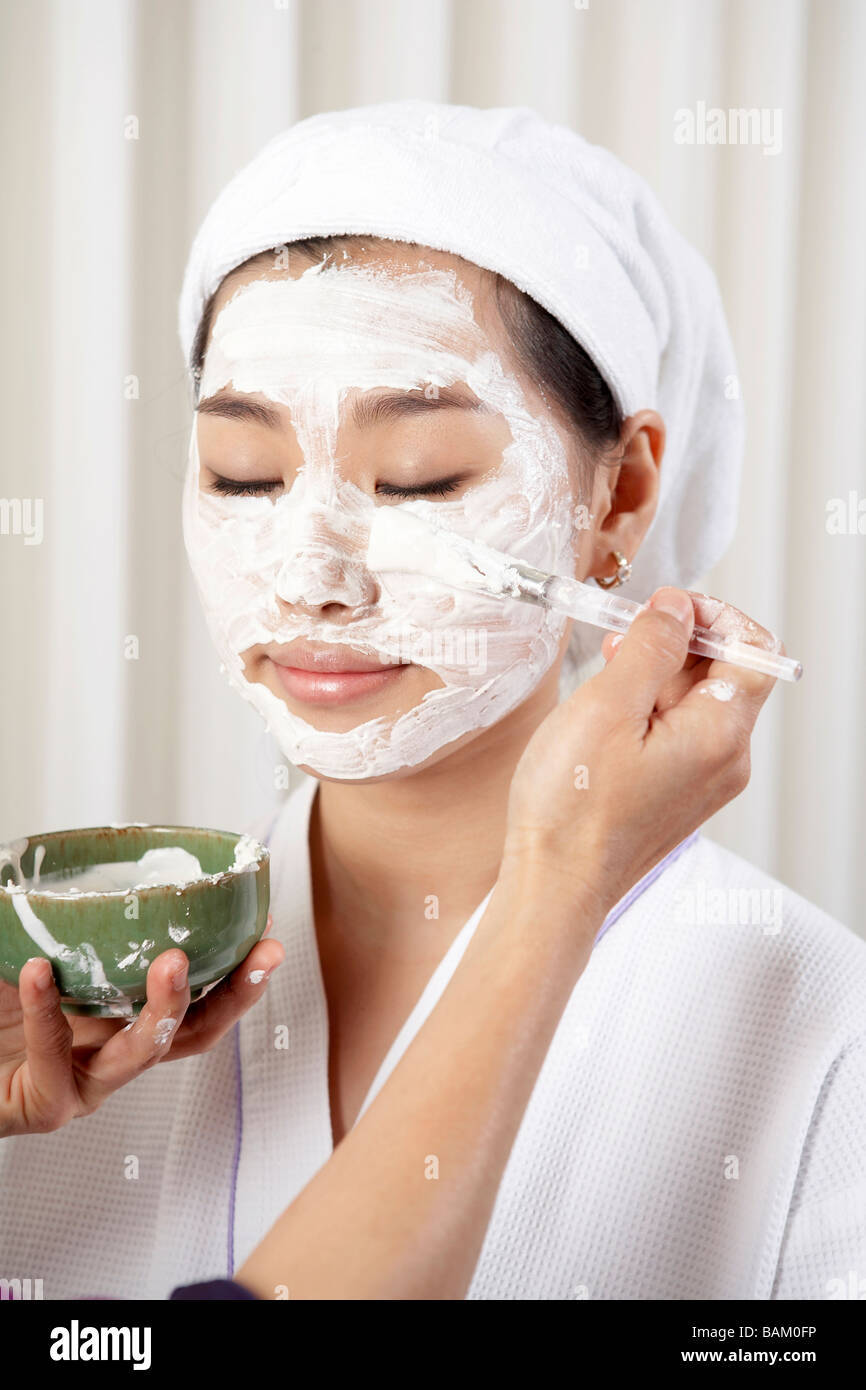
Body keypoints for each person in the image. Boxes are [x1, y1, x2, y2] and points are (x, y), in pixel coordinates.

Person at [1, 103, 863, 1302]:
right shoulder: (55, 1003)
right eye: (242, 475)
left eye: (417, 479)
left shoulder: (823, 1034)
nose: (310, 579)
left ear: (619, 498)